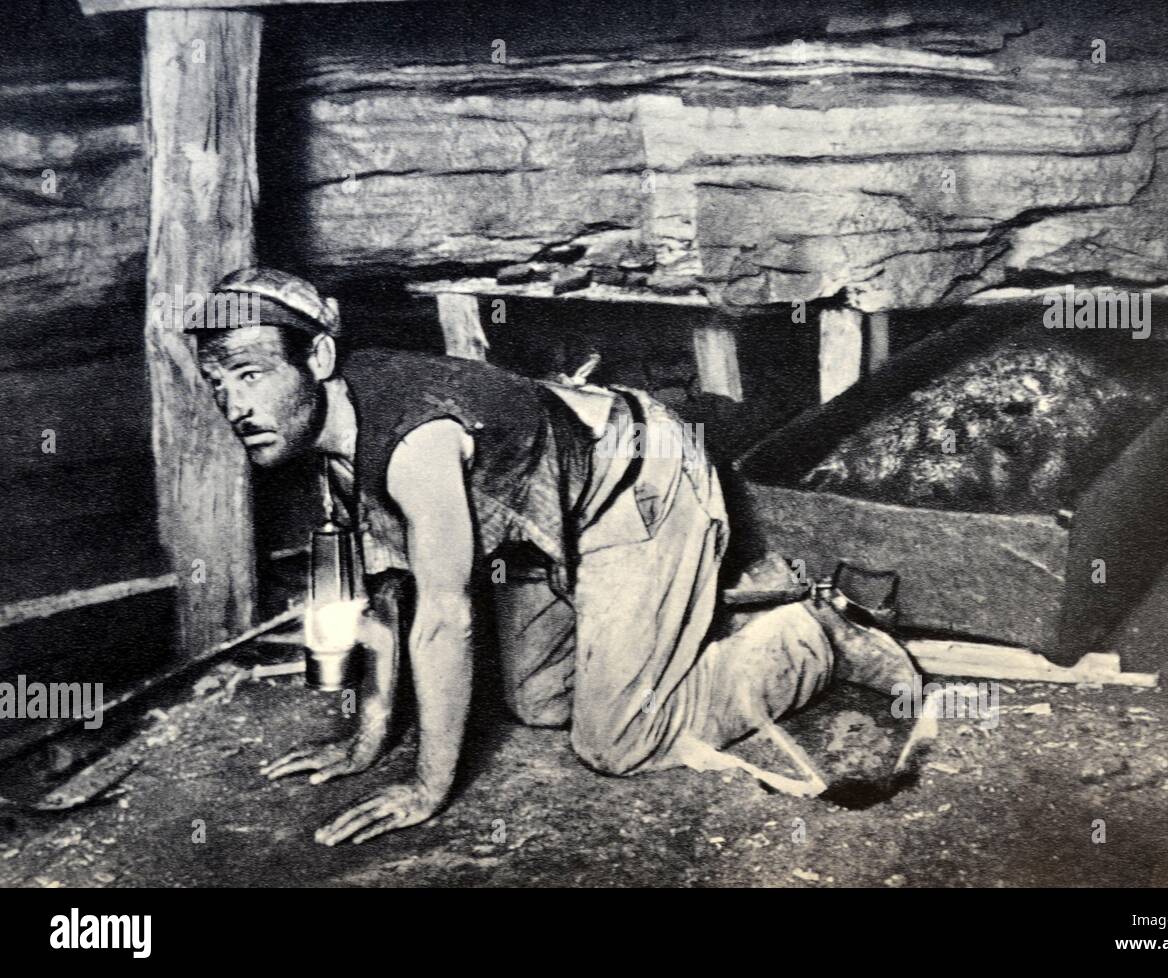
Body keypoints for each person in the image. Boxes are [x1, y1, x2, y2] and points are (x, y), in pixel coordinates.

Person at [191, 267, 916, 846]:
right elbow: (387, 591)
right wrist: (367, 738)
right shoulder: (337, 433)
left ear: (318, 358)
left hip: (641, 479)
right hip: (557, 508)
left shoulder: (413, 441)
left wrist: (427, 787)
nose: (234, 405)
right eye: (217, 382)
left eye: (250, 374)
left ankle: (814, 636)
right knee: (538, 702)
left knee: (618, 742)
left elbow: (444, 618)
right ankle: (713, 607)